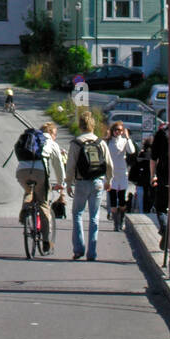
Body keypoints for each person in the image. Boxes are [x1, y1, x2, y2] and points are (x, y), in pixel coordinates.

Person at [66, 110, 112, 261]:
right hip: (98, 182)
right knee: (94, 217)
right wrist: (109, 180)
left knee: (78, 214)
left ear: (80, 126)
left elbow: (70, 166)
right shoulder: (100, 142)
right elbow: (109, 164)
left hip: (81, 182)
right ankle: (92, 253)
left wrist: (68, 183)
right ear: (93, 126)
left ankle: (79, 249)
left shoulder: (76, 143)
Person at [15, 120, 65, 253]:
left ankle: (25, 208)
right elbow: (58, 165)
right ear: (50, 132)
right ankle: (46, 241)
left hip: (22, 171)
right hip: (39, 172)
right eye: (55, 134)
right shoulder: (51, 142)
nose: (55, 137)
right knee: (43, 203)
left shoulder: (31, 140)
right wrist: (61, 183)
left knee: (29, 190)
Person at [105, 120, 136, 231]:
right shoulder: (108, 142)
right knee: (113, 200)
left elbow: (131, 151)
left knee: (122, 199)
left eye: (120, 130)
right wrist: (106, 137)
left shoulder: (124, 141)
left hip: (122, 173)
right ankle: (116, 223)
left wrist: (128, 138)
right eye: (116, 130)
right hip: (111, 174)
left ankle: (122, 219)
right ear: (112, 130)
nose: (118, 132)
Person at [150, 119, 170, 233]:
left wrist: (153, 175)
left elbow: (153, 158)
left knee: (161, 207)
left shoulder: (161, 133)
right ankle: (168, 231)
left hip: (163, 175)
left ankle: (165, 229)